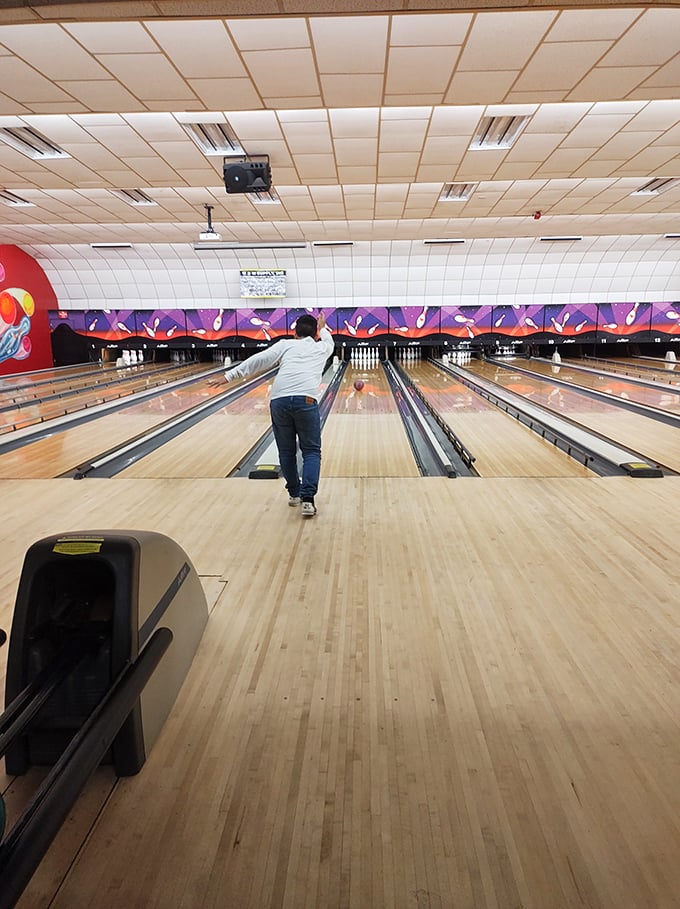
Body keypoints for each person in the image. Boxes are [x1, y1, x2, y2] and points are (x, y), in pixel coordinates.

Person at [222, 312, 334, 518]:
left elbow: (260, 359)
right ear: (316, 333)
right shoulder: (322, 347)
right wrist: (323, 327)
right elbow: (328, 338)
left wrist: (230, 375)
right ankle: (308, 500)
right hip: (306, 401)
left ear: (294, 332)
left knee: (286, 451)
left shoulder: (285, 345)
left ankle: (294, 494)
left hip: (279, 401)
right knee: (311, 452)